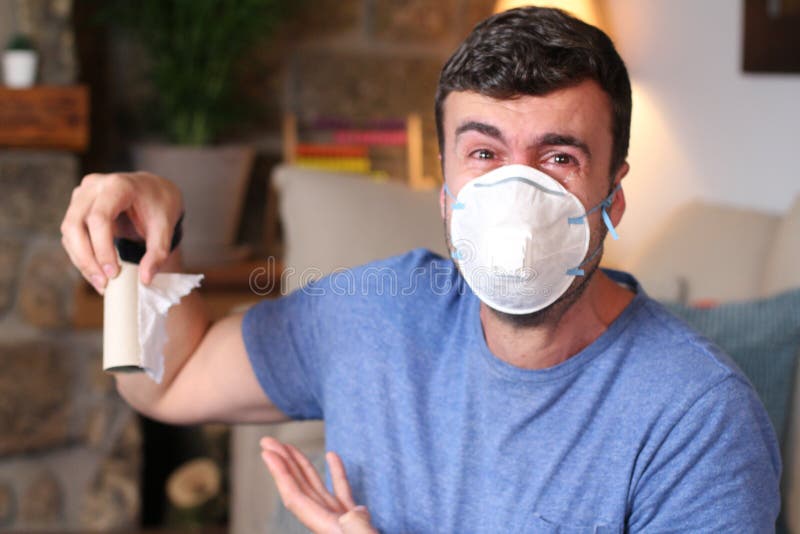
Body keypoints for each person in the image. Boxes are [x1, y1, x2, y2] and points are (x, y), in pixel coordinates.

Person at [61, 7, 781, 533]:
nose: (515, 195)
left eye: (559, 157)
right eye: (484, 154)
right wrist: (137, 248)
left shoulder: (698, 419)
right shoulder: (374, 315)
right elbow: (169, 383)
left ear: (612, 195)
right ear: (446, 193)